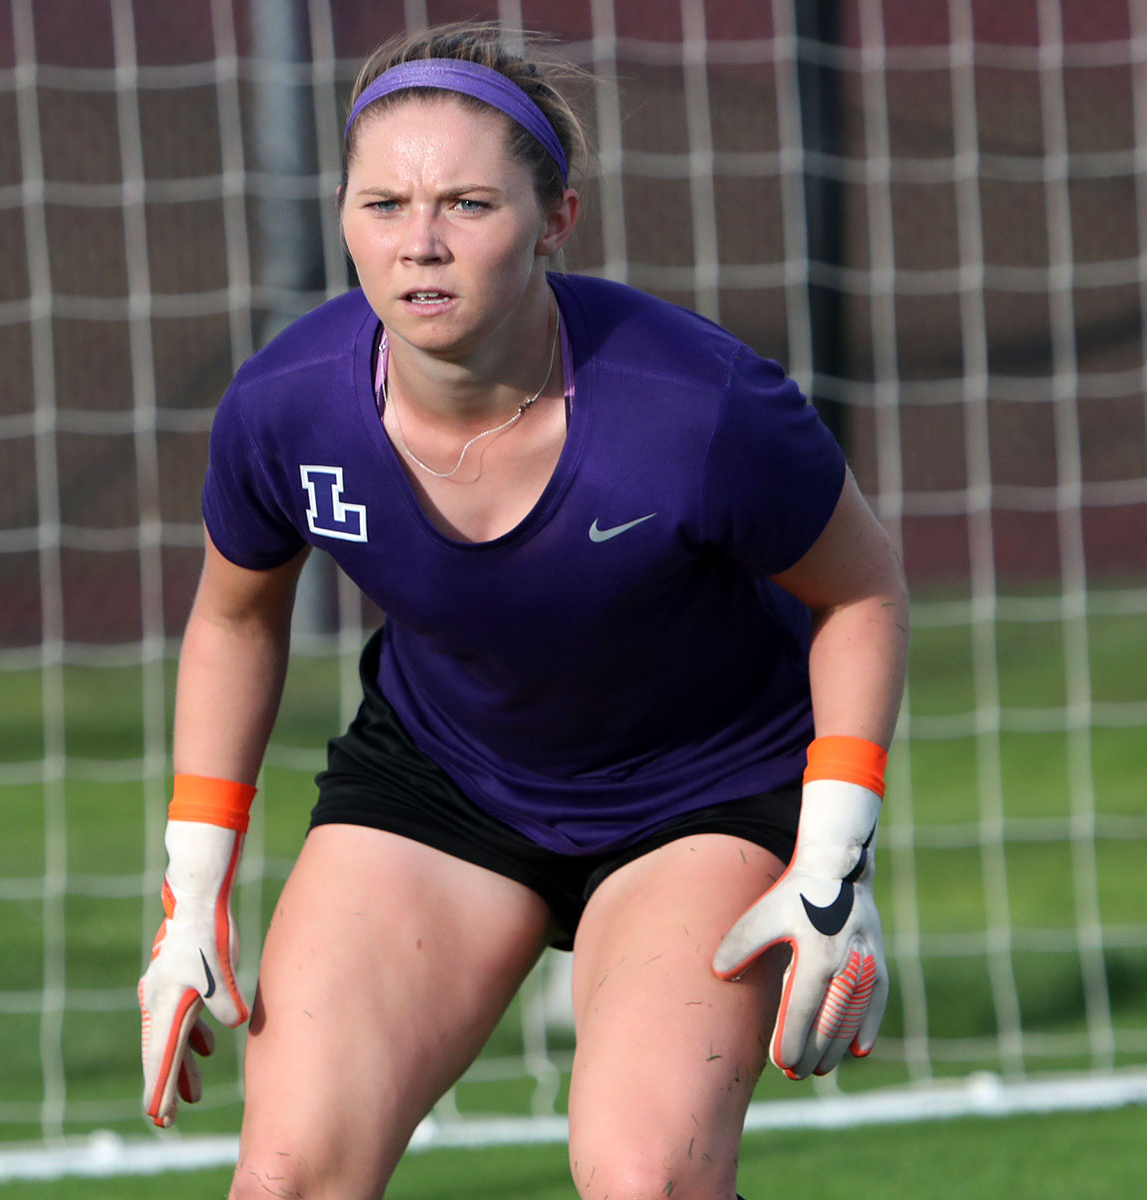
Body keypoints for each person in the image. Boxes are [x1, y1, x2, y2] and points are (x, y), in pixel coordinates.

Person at [136, 22, 909, 1200]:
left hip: (697, 794)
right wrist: (190, 896)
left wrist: (832, 866)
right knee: (285, 1179)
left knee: (644, 1176)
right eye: (383, 203)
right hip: (445, 785)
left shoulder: (698, 403)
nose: (421, 246)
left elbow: (861, 593)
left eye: (468, 205)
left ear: (556, 221)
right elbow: (235, 620)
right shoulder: (286, 409)